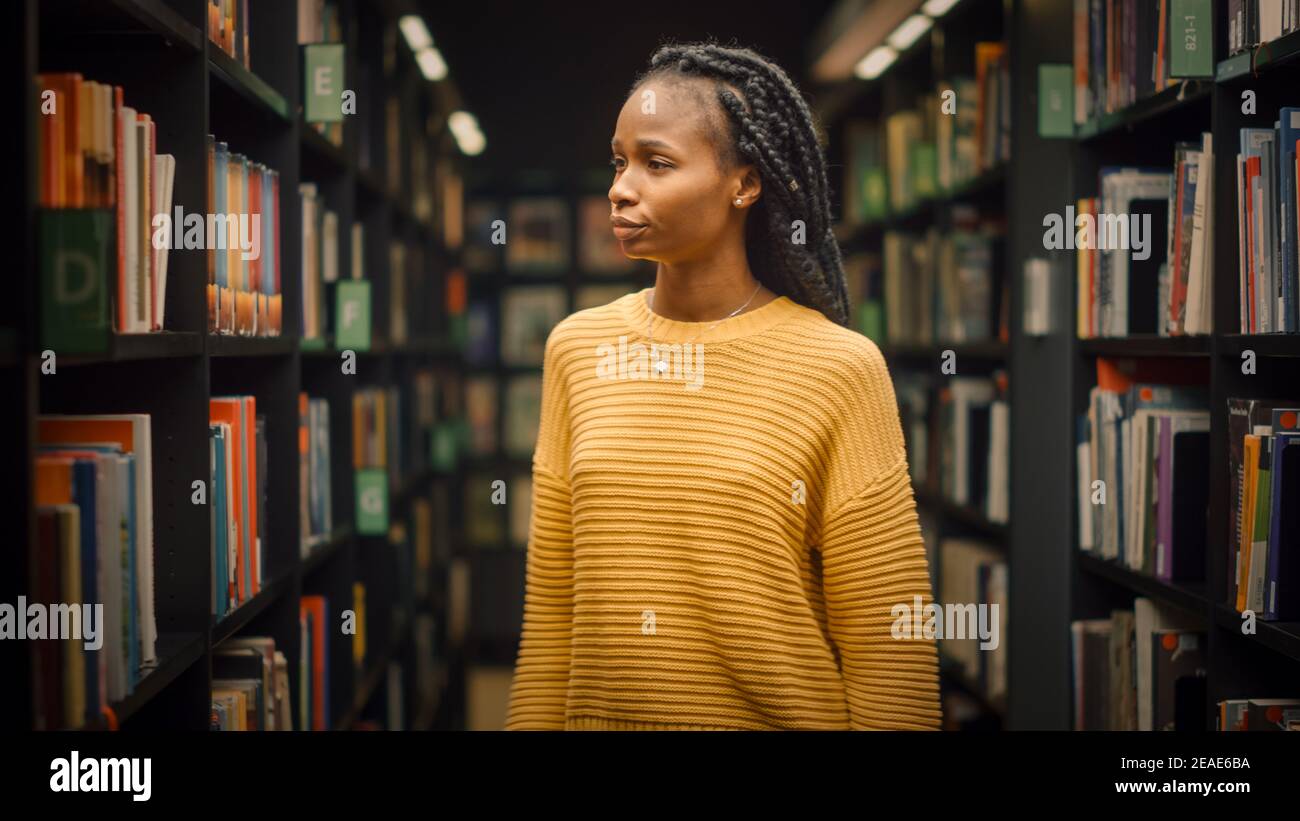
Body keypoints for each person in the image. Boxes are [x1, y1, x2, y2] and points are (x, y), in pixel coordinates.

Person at [504, 40, 942, 730]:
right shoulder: (577, 349)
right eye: (620, 161)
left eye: (657, 162)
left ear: (744, 182)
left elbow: (891, 647)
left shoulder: (839, 367)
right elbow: (553, 615)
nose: (621, 187)